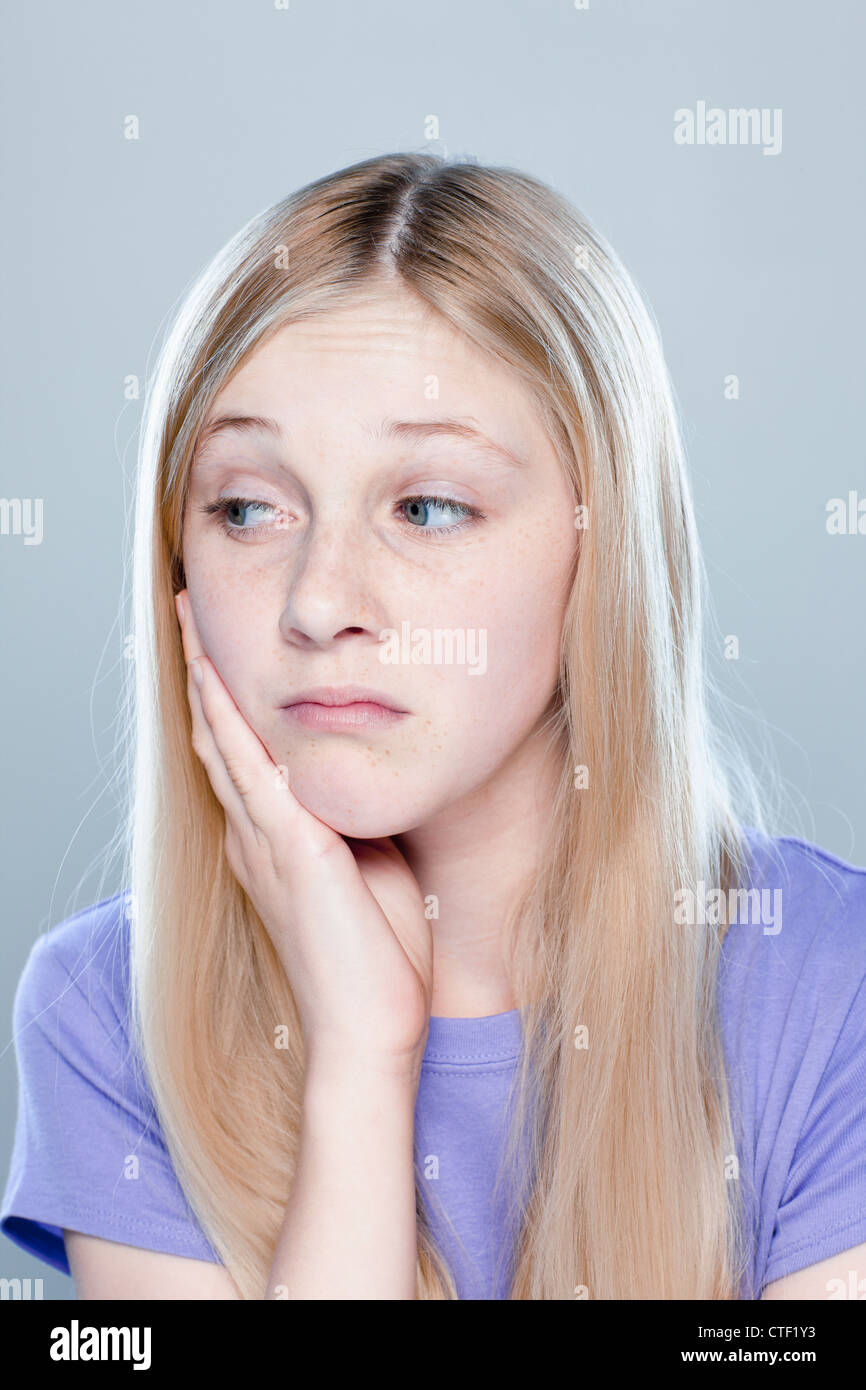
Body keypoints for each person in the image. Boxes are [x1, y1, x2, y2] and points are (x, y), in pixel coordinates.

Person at [3, 152, 866, 1300]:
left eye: (424, 506)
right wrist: (359, 1067)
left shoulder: (827, 983)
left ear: (595, 551)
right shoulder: (105, 1008)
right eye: (248, 508)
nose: (317, 603)